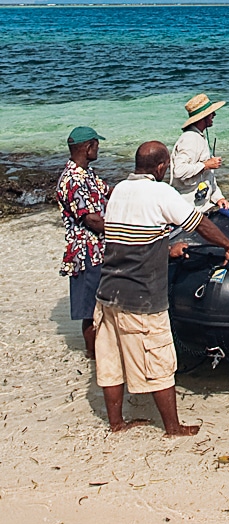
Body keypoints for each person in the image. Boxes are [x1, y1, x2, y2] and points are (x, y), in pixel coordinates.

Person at [94, 140, 229, 434]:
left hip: (107, 291)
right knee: (160, 360)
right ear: (162, 166)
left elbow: (131, 240)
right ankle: (173, 427)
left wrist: (166, 248)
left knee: (110, 361)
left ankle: (116, 423)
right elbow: (199, 224)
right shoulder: (160, 191)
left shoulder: (118, 191)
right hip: (141, 296)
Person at [56, 126, 109, 358]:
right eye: (97, 145)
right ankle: (93, 356)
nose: (99, 149)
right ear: (88, 147)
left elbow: (109, 191)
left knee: (101, 303)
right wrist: (127, 230)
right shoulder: (73, 180)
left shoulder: (87, 173)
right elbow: (92, 221)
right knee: (90, 308)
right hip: (86, 252)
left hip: (99, 248)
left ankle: (102, 352)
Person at [169, 94, 229, 212]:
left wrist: (218, 198)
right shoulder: (190, 138)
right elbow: (179, 171)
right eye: (211, 113)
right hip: (188, 208)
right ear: (204, 117)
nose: (214, 115)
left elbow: (207, 176)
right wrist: (206, 165)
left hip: (202, 206)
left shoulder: (199, 137)